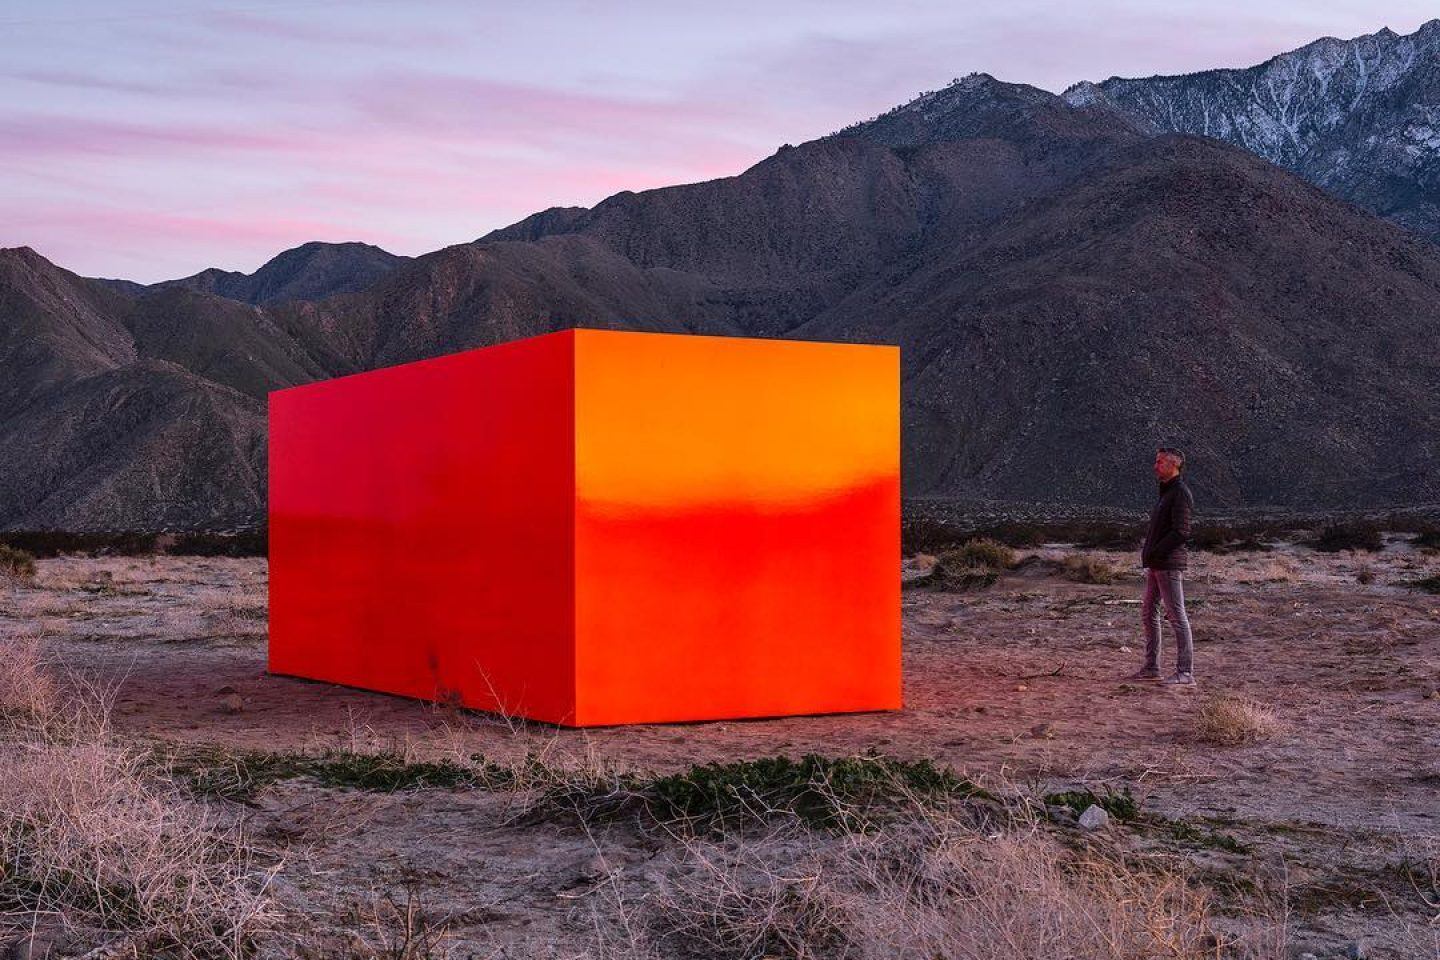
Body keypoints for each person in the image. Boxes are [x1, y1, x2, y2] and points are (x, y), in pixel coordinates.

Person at [1130, 447, 1196, 686]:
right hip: (1158, 565)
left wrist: (1158, 551)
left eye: (1159, 462)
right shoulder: (1167, 492)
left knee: (1176, 615)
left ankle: (1185, 672)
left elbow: (1182, 531)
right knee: (1149, 613)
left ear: (1173, 464)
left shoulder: (1180, 493)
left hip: (1168, 564)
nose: (1155, 466)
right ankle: (1152, 667)